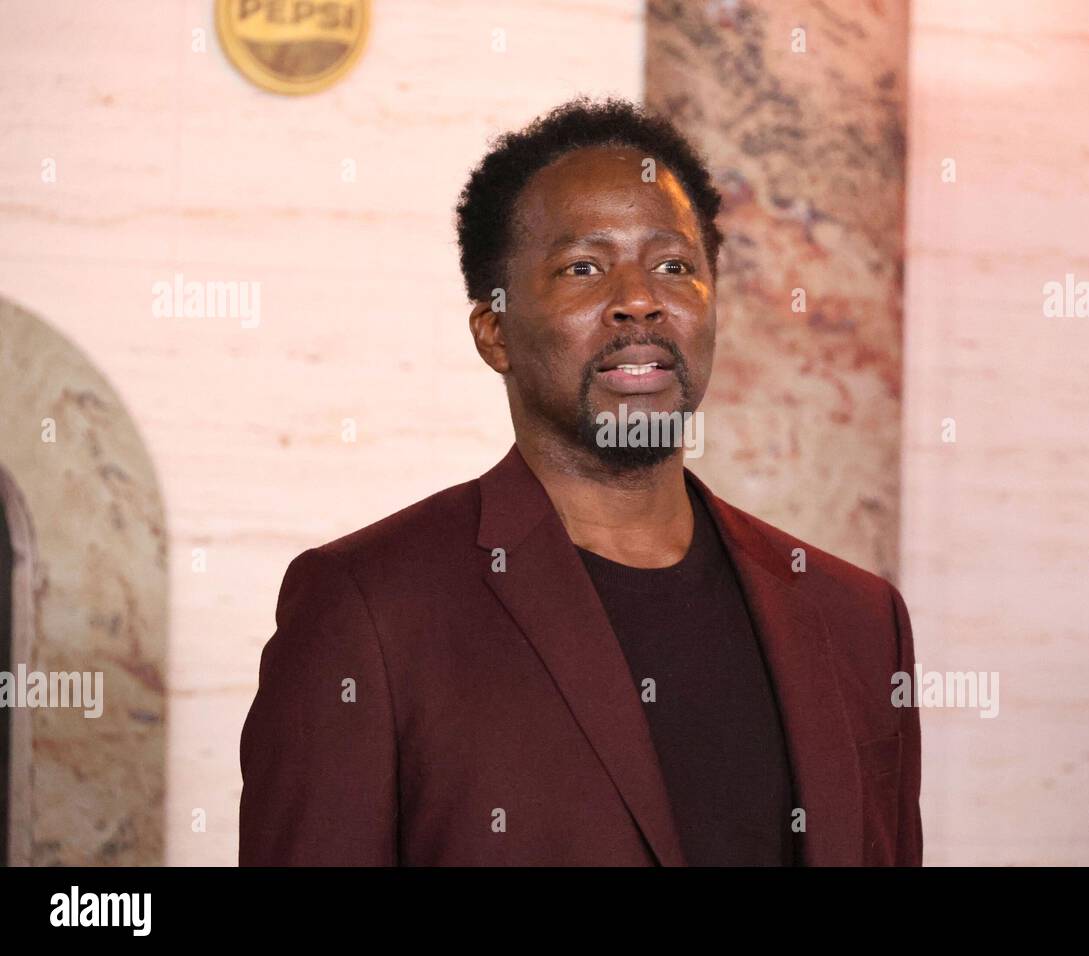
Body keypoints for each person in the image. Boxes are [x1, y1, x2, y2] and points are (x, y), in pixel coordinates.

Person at [239, 96, 921, 866]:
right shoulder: (367, 610)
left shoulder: (858, 621)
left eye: (674, 266)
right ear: (494, 332)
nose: (639, 300)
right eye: (584, 268)